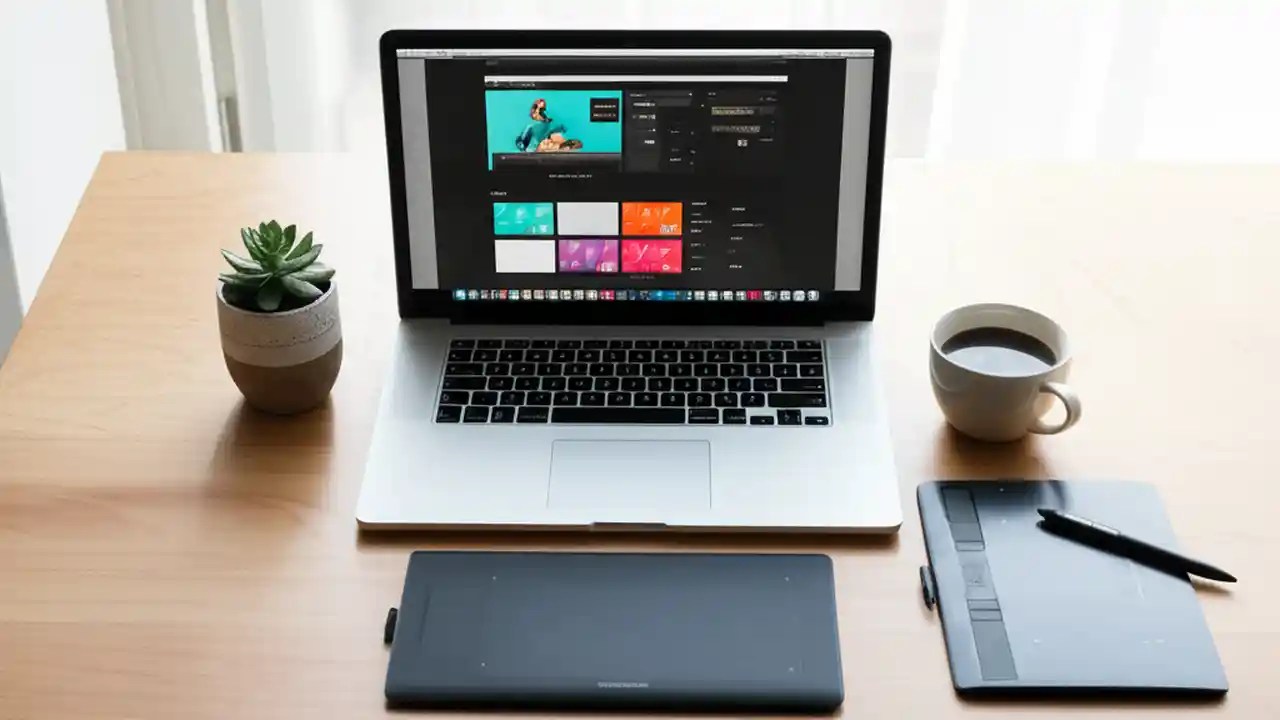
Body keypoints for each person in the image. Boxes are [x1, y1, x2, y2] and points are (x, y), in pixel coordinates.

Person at [514, 98, 581, 153]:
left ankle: (564, 147)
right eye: (541, 111)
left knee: (558, 138)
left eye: (543, 110)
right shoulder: (530, 127)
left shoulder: (549, 123)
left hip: (549, 146)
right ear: (535, 111)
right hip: (535, 151)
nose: (543, 113)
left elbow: (562, 129)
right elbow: (521, 143)